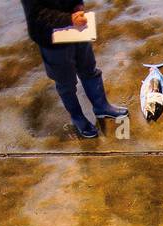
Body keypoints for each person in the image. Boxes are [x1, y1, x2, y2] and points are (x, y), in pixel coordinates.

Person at [21, 1, 128, 140]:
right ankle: (78, 118)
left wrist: (78, 5)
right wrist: (70, 19)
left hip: (78, 31)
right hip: (51, 39)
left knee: (90, 70)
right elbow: (37, 16)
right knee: (66, 83)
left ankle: (102, 107)